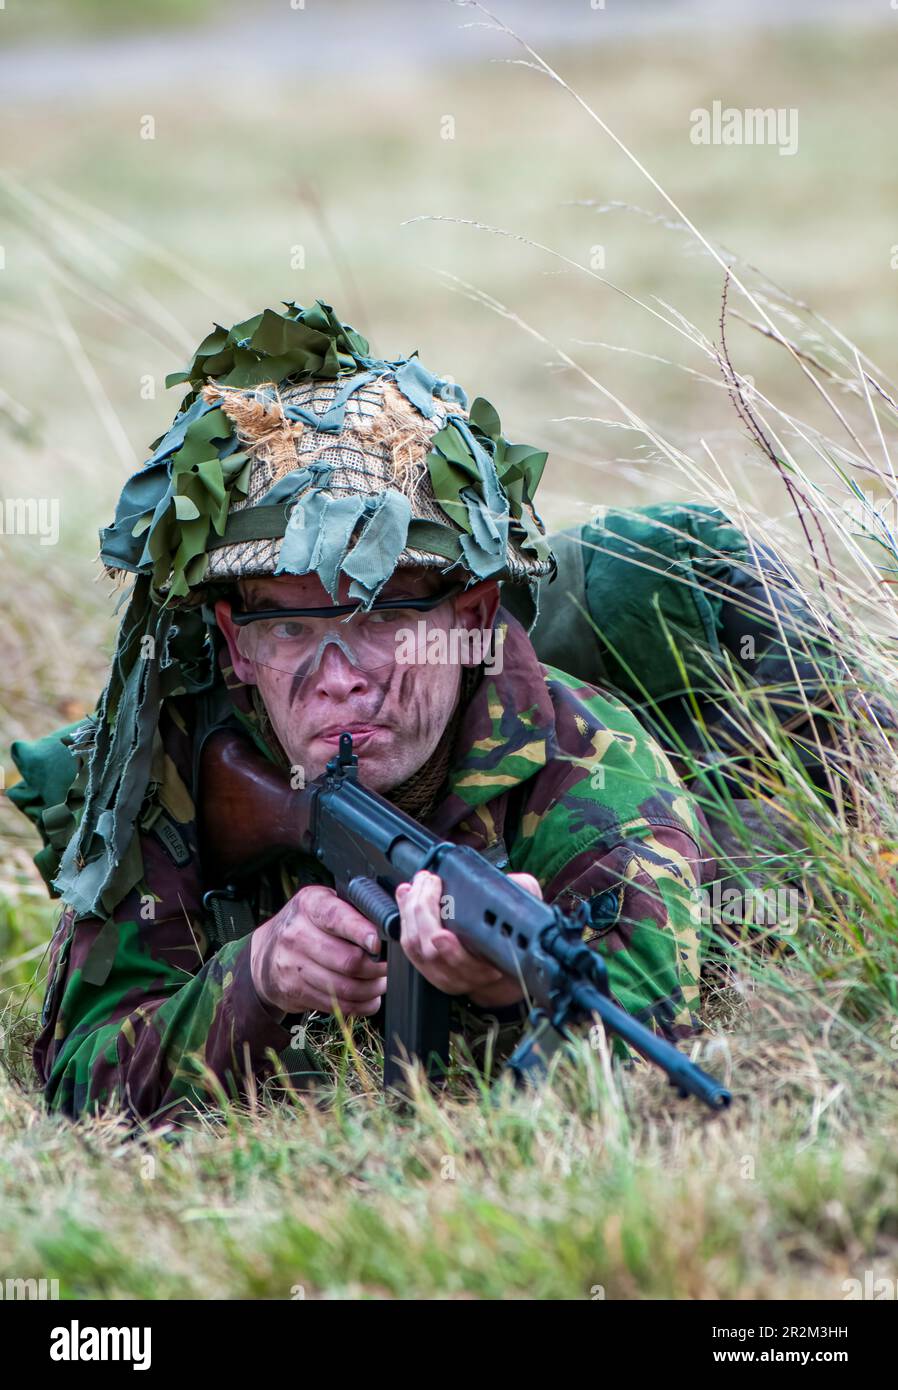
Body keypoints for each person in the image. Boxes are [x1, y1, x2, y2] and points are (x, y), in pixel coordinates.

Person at [23, 299, 706, 1126]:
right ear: (235, 644)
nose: (337, 676)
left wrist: (499, 993)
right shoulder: (176, 762)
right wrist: (257, 978)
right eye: (287, 626)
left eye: (380, 617)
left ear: (473, 615)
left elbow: (639, 1056)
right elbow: (81, 1085)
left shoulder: (591, 763)